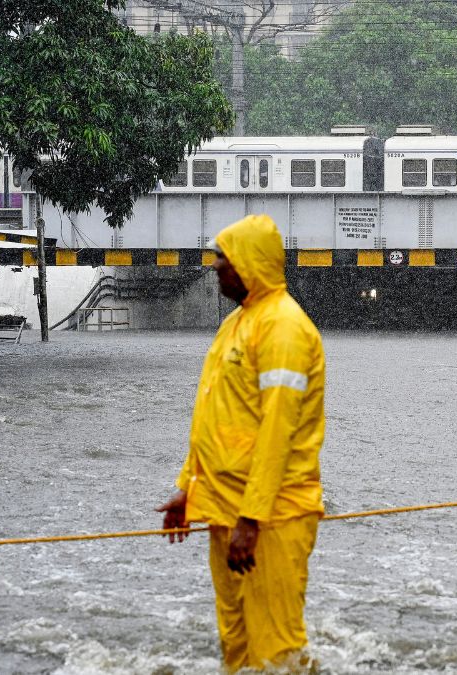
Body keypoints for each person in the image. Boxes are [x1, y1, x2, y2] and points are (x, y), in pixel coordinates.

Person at [156, 214, 326, 673]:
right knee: (237, 645)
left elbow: (278, 429)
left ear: (249, 264)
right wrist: (187, 488)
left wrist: (251, 519)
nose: (214, 267)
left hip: (272, 518)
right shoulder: (236, 323)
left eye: (223, 259)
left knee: (277, 651)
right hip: (223, 510)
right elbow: (214, 418)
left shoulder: (284, 329)